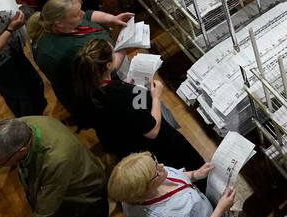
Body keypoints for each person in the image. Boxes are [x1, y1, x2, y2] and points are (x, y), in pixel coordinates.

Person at [74, 38, 203, 169]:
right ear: (108, 65)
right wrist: (156, 97)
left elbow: (130, 107)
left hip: (125, 149)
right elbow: (152, 131)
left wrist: (130, 86)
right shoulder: (125, 94)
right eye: (114, 53)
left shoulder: (83, 90)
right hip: (155, 152)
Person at [27, 0, 133, 127]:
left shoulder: (62, 25)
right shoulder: (70, 51)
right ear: (59, 23)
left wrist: (112, 18)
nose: (82, 14)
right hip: (94, 95)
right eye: (77, 13)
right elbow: (107, 68)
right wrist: (125, 45)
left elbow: (88, 15)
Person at [109, 151, 235, 217]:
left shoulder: (133, 192)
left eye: (155, 160)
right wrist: (220, 209)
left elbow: (173, 175)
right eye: (156, 171)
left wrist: (195, 174)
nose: (162, 166)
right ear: (145, 189)